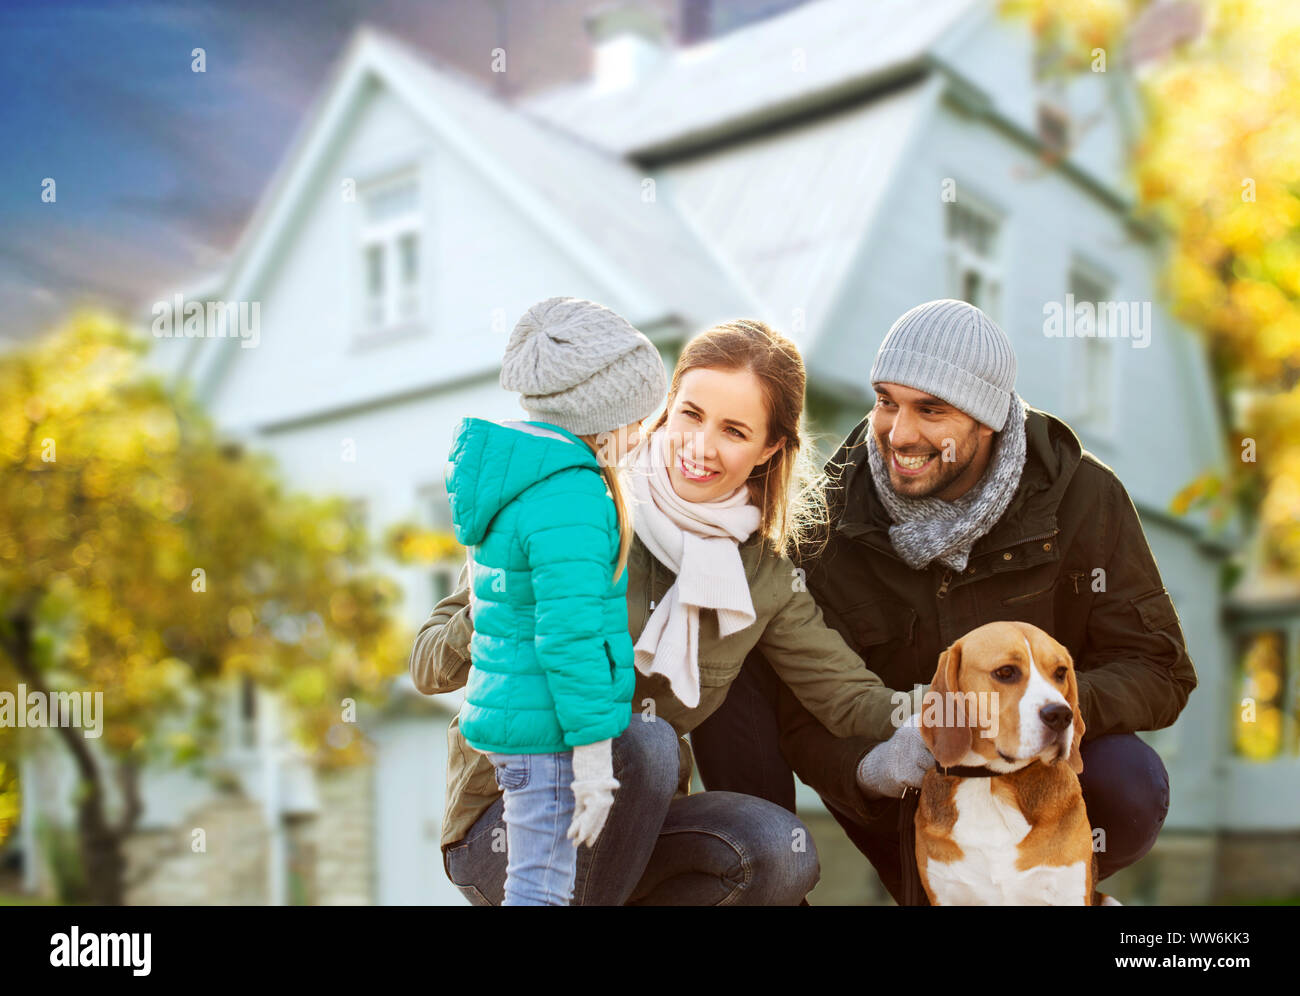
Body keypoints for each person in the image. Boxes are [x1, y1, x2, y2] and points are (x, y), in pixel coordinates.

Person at [691, 298, 1198, 905]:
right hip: (901, 787)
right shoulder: (829, 517)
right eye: (886, 401)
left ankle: (1051, 888)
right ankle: (768, 883)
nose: (900, 433)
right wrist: (877, 766)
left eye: (931, 409)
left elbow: (1159, 668)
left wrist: (1036, 710)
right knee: (738, 633)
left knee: (1131, 781)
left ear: (987, 420)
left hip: (1041, 782)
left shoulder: (1084, 498)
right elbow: (805, 706)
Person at [411, 316, 924, 905]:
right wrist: (507, 596)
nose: (700, 447)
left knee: (775, 847)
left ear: (770, 448)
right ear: (665, 406)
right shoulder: (573, 503)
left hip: (636, 834)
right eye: (691, 413)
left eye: (734, 430)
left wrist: (957, 713)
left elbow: (851, 697)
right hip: (509, 822)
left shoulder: (761, 576)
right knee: (643, 739)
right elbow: (428, 668)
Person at [447, 296, 665, 904]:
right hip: (543, 729)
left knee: (539, 878)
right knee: (541, 886)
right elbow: (568, 634)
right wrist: (594, 757)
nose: (642, 437)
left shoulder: (522, 478)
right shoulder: (571, 496)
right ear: (608, 414)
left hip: (516, 717)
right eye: (640, 422)